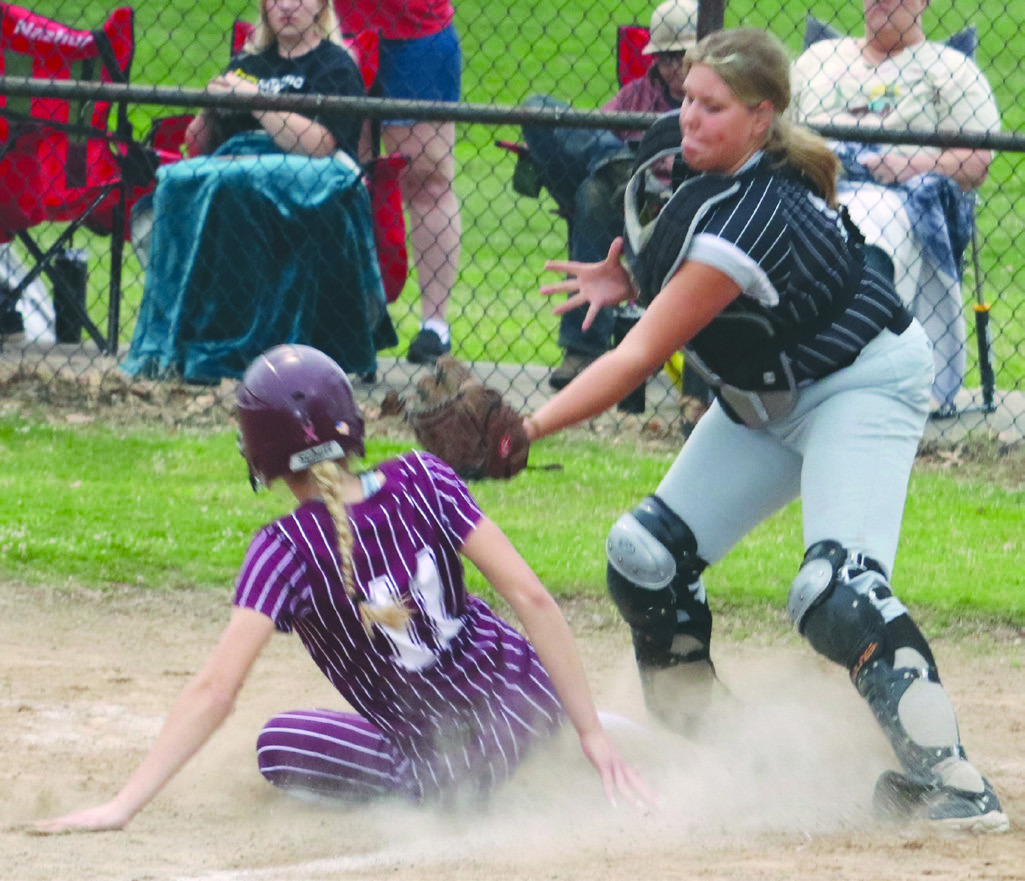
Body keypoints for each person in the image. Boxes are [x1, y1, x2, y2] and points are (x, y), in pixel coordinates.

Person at [520, 28, 1009, 833]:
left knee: (835, 591)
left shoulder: (755, 218)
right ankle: (736, 754)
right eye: (686, 99)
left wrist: (526, 427)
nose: (689, 117)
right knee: (645, 560)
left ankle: (953, 783)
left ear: (760, 117)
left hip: (859, 384)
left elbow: (639, 354)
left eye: (712, 107)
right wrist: (627, 277)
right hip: (762, 399)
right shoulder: (693, 164)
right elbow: (676, 251)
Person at [30, 343, 649, 832]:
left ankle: (507, 768)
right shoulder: (425, 475)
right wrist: (589, 730)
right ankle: (589, 732)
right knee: (495, 662)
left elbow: (216, 691)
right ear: (350, 424)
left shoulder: (282, 551)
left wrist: (122, 806)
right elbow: (532, 599)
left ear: (261, 454)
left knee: (277, 743)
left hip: (458, 769)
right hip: (532, 700)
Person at [122, 0, 396, 385]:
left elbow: (320, 145)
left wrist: (254, 100)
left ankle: (247, 349)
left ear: (320, 6)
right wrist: (209, 107)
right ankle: (173, 343)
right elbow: (197, 147)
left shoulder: (336, 65)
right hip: (234, 167)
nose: (287, 6)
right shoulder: (246, 64)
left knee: (237, 181)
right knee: (175, 181)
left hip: (310, 175)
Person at [790, 0, 1001, 417]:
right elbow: (771, 135)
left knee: (869, 220)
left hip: (897, 193)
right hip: (814, 181)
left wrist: (913, 165)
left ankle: (864, 372)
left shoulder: (951, 69)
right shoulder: (818, 60)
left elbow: (977, 161)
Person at [521, 0, 697, 390]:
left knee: (593, 195)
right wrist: (616, 161)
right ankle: (619, 167)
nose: (671, 67)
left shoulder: (711, 101)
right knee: (538, 109)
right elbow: (592, 134)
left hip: (671, 207)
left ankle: (583, 351)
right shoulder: (637, 95)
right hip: (625, 195)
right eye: (663, 58)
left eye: (680, 56)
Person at [337, 0, 463, 365]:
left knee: (429, 181)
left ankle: (434, 327)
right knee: (347, 178)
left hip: (417, 30)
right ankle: (351, 318)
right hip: (335, 29)